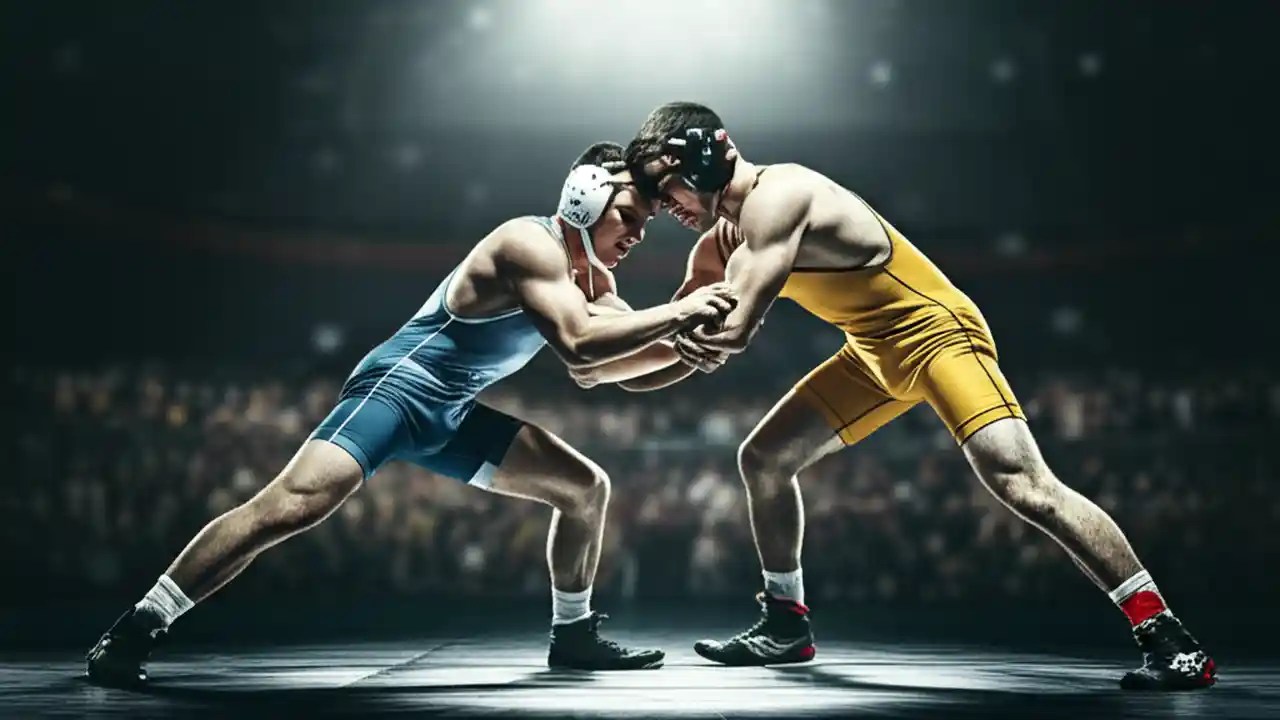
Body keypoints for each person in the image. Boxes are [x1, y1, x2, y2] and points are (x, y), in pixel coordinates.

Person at [598, 102, 1217, 690]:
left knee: (1024, 484)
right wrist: (607, 368)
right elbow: (671, 352)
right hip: (872, 352)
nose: (663, 205)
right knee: (763, 459)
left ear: (709, 156)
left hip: (937, 333)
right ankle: (787, 623)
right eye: (654, 195)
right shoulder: (716, 246)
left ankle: (1170, 638)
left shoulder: (780, 195)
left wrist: (642, 342)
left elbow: (731, 331)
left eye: (667, 185)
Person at [84, 141, 740, 686]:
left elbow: (609, 371)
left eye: (645, 225)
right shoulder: (527, 243)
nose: (636, 233)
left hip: (449, 411)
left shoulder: (596, 286)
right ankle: (137, 627)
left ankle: (572, 635)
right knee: (292, 505)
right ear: (585, 196)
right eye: (630, 215)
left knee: (583, 488)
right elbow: (578, 343)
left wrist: (697, 354)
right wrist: (684, 312)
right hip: (399, 387)